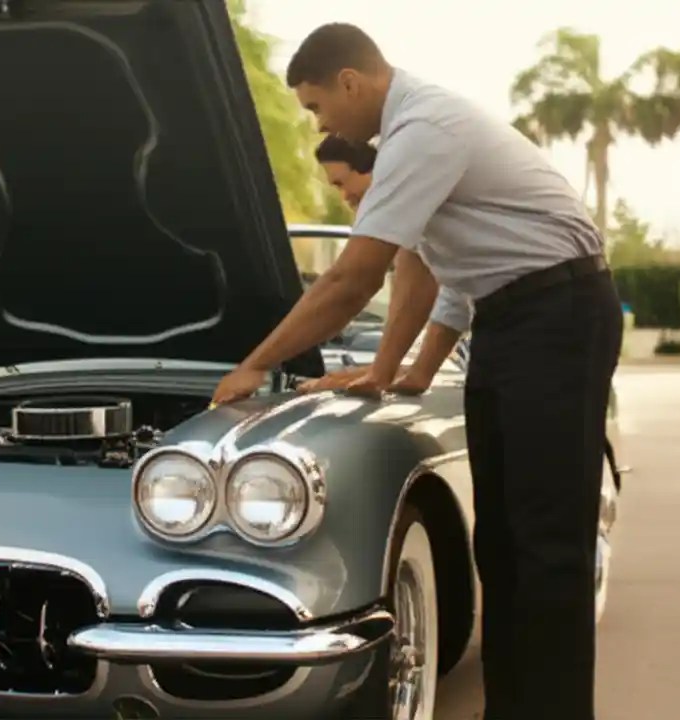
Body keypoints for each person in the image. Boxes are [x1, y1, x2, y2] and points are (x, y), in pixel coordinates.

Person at [211, 23, 621, 720]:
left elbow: (353, 278)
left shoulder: (423, 128)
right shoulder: (411, 138)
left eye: (316, 106)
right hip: (513, 318)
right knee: (502, 540)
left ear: (351, 81)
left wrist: (254, 364)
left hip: (560, 315)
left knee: (546, 543)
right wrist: (397, 370)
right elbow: (434, 269)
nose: (321, 121)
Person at [305, 135, 466, 394]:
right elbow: (455, 295)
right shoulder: (417, 229)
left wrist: (256, 365)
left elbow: (349, 284)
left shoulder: (428, 217)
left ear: (377, 171)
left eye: (342, 183)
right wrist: (395, 373)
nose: (345, 197)